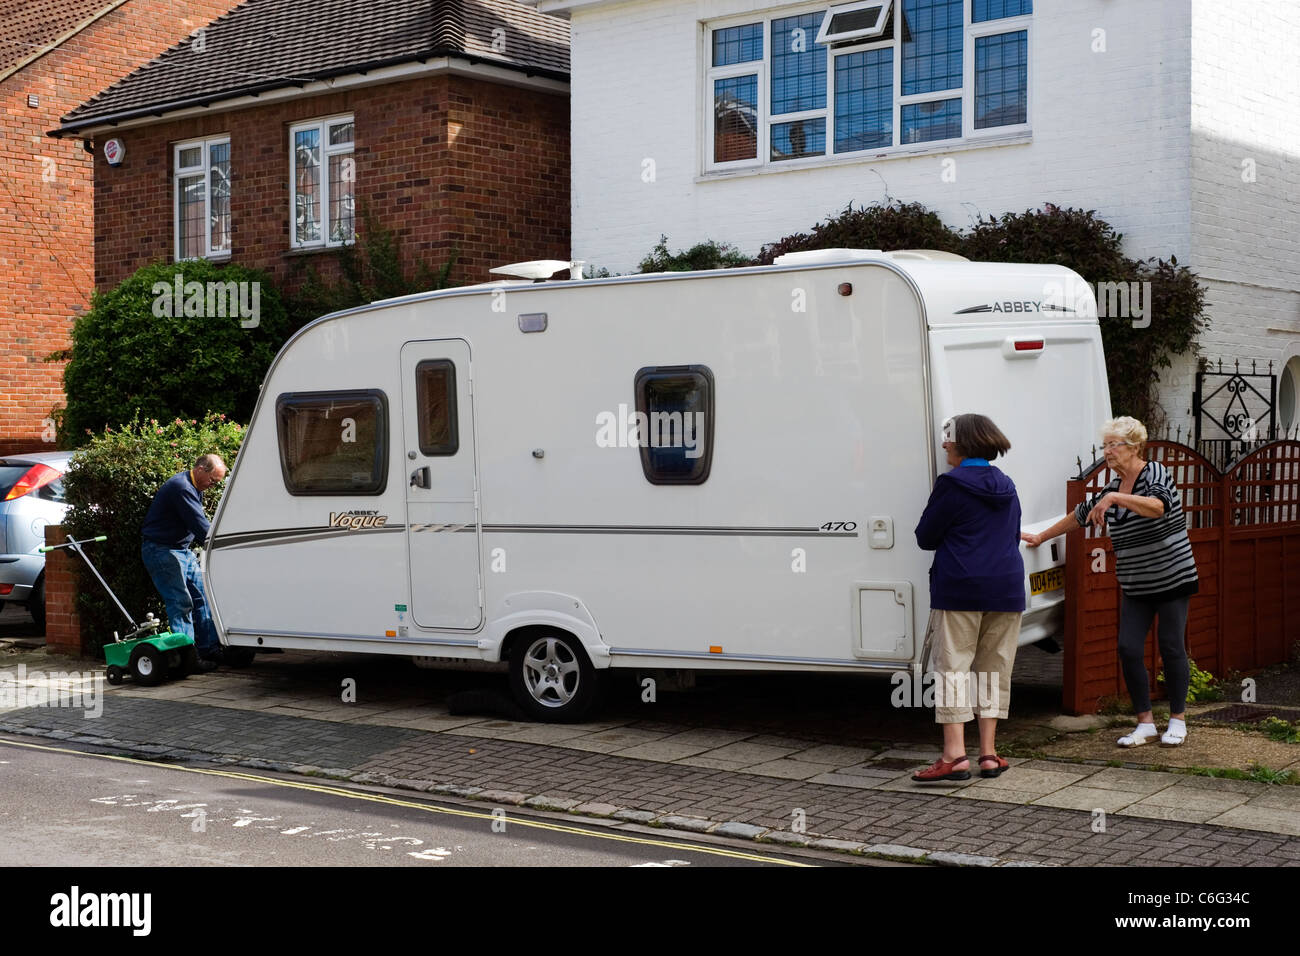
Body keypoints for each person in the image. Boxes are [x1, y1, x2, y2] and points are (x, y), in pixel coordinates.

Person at [1022, 417, 1197, 747]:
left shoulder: (1154, 473)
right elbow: (1080, 514)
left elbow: (1158, 507)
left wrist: (1115, 500)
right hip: (1136, 583)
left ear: (1133, 448)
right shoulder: (1112, 488)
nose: (1107, 452)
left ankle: (1177, 719)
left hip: (1172, 577)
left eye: (1112, 445)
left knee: (1172, 646)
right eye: (1105, 445)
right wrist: (1042, 536)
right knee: (1128, 648)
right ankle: (1144, 723)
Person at [911, 414, 1025, 782]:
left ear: (963, 445)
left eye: (949, 439)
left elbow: (926, 537)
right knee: (993, 668)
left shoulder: (951, 484)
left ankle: (955, 757)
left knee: (954, 669)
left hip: (960, 585)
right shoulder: (1006, 484)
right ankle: (989, 755)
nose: (944, 444)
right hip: (1006, 586)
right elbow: (1011, 534)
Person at [140, 453, 227, 670]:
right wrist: (225, 547)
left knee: (203, 597)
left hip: (181, 550)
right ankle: (187, 660)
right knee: (181, 603)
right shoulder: (182, 488)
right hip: (162, 550)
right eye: (213, 480)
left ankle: (209, 650)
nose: (213, 485)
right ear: (200, 469)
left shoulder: (194, 487)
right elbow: (201, 527)